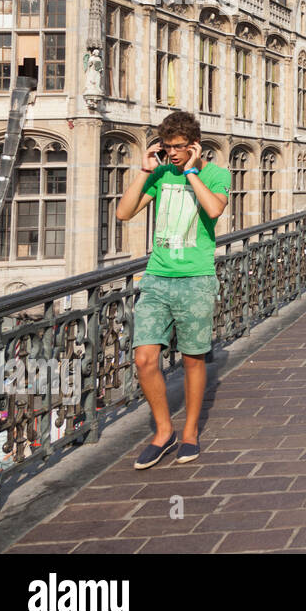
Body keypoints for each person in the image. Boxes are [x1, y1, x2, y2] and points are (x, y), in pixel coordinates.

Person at [114, 111, 230, 469]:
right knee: (144, 358)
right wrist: (147, 170)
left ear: (195, 145)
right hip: (157, 277)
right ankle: (164, 432)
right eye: (168, 148)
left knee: (193, 359)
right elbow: (123, 213)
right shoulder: (161, 174)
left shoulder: (216, 173)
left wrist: (192, 172)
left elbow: (213, 210)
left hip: (195, 277)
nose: (173, 154)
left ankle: (191, 432)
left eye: (180, 148)